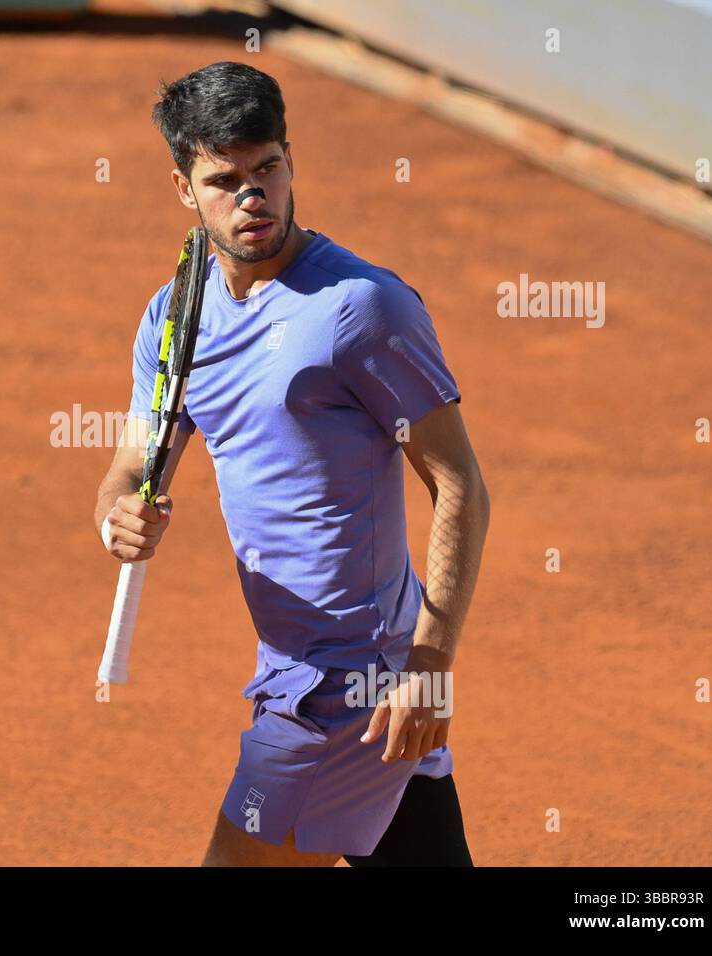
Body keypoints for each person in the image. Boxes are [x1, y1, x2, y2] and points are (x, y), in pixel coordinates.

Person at [93, 61, 489, 866]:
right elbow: (135, 465)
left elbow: (460, 486)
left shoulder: (361, 309)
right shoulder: (175, 317)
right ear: (183, 187)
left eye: (268, 168)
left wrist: (429, 665)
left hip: (351, 687)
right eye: (225, 178)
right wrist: (117, 516)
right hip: (295, 665)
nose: (252, 197)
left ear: (290, 159)